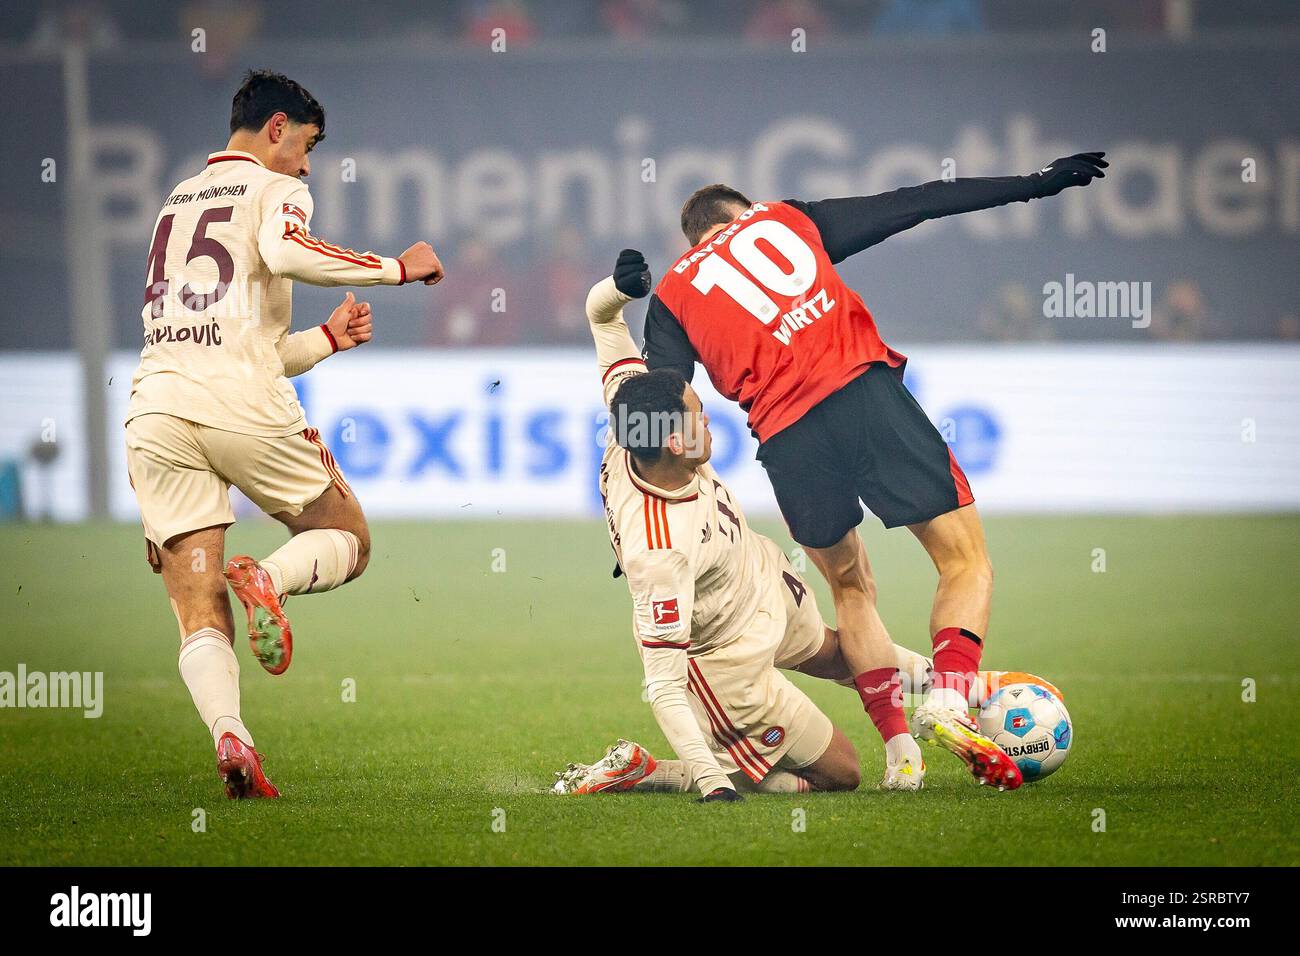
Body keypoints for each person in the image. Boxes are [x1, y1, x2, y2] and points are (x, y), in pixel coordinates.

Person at [641, 153, 1107, 788]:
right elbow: (913, 202)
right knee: (964, 562)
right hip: (862, 394)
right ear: (744, 214)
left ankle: (900, 754)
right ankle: (946, 699)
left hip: (786, 437)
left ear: (691, 240)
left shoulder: (671, 292)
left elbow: (659, 397)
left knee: (851, 590)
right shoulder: (785, 220)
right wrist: (1032, 186)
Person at [558, 251, 1047, 797]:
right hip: (724, 653)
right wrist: (711, 783)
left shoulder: (633, 409)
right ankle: (654, 772)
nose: (708, 417)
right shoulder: (659, 552)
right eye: (698, 413)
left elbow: (601, 318)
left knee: (848, 654)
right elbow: (665, 688)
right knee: (841, 773)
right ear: (675, 442)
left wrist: (618, 289)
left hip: (760, 588)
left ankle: (961, 694)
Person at [125, 69, 444, 798]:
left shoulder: (175, 202)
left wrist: (324, 342)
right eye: (305, 146)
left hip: (156, 413)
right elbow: (294, 254)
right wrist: (397, 268)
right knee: (349, 538)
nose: (306, 165)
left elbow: (223, 337)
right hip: (240, 406)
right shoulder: (274, 189)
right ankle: (269, 577)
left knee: (196, 600)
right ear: (276, 129)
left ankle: (230, 737)